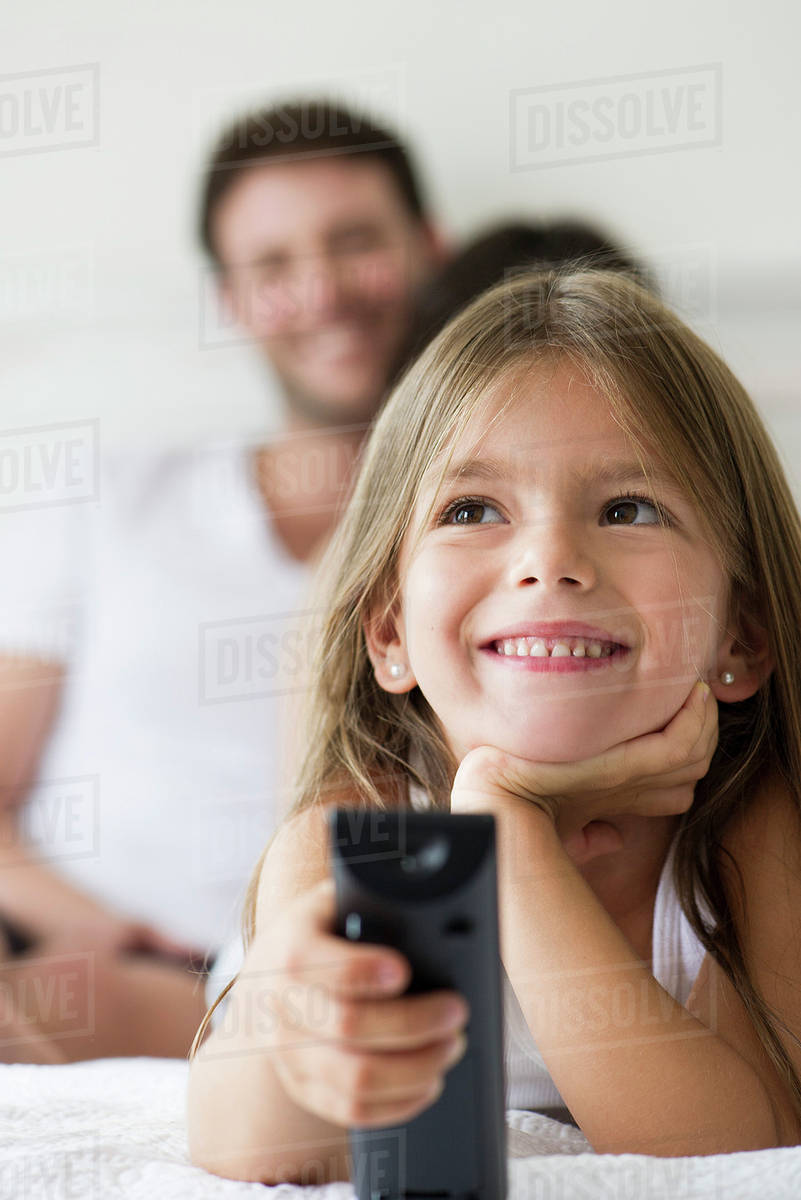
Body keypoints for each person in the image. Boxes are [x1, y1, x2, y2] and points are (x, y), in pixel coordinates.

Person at [187, 267, 801, 1179]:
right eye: (471, 510)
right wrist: (294, 1037)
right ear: (389, 632)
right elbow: (260, 1151)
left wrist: (508, 830)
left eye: (628, 509)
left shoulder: (748, 835)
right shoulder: (359, 837)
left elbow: (736, 1154)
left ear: (740, 637)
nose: (549, 559)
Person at [0, 98, 443, 1062]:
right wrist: (105, 937)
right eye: (273, 266)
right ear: (230, 300)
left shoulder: (489, 547)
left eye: (355, 242)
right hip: (83, 961)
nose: (322, 291)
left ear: (429, 250)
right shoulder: (105, 498)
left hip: (342, 994)